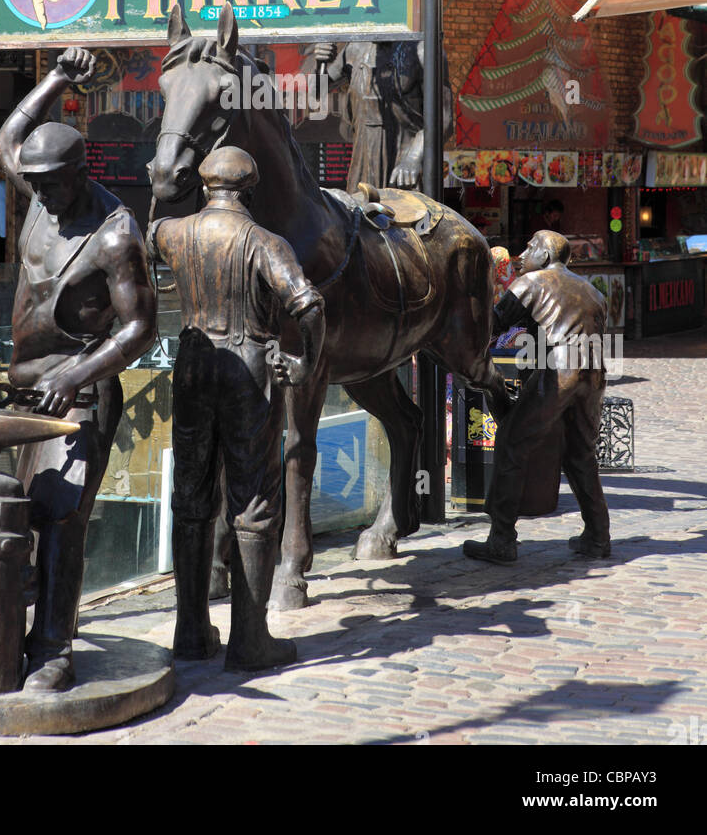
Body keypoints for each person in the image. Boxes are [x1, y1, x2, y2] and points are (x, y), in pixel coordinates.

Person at [0, 46, 156, 690]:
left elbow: (141, 328)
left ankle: (53, 646)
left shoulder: (115, 232)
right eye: (36, 184)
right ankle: (1, 623)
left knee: (60, 516)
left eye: (53, 185)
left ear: (79, 172)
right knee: (0, 511)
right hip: (19, 387)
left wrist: (76, 376)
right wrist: (57, 77)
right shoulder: (38, 192)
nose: (43, 196)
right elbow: (7, 136)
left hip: (76, 391)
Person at [147, 146, 325, 671]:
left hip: (195, 366)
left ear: (205, 188)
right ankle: (250, 638)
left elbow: (146, 239)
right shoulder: (265, 242)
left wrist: (162, 190)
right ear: (250, 191)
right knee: (252, 503)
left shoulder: (174, 233)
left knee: (191, 496)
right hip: (249, 369)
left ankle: (191, 630)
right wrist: (304, 364)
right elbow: (308, 303)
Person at [463, 229, 611, 564]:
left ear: (545, 255)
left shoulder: (531, 282)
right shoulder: (591, 290)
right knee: (581, 454)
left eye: (529, 247)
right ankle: (598, 535)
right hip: (596, 371)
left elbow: (495, 323)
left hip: (560, 368)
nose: (521, 255)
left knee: (513, 442)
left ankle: (501, 538)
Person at [314, 39, 453, 193]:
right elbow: (316, 92)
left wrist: (413, 158)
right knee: (359, 212)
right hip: (363, 161)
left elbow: (443, 119)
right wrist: (321, 63)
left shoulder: (423, 50)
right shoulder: (354, 48)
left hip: (404, 167)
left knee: (406, 213)